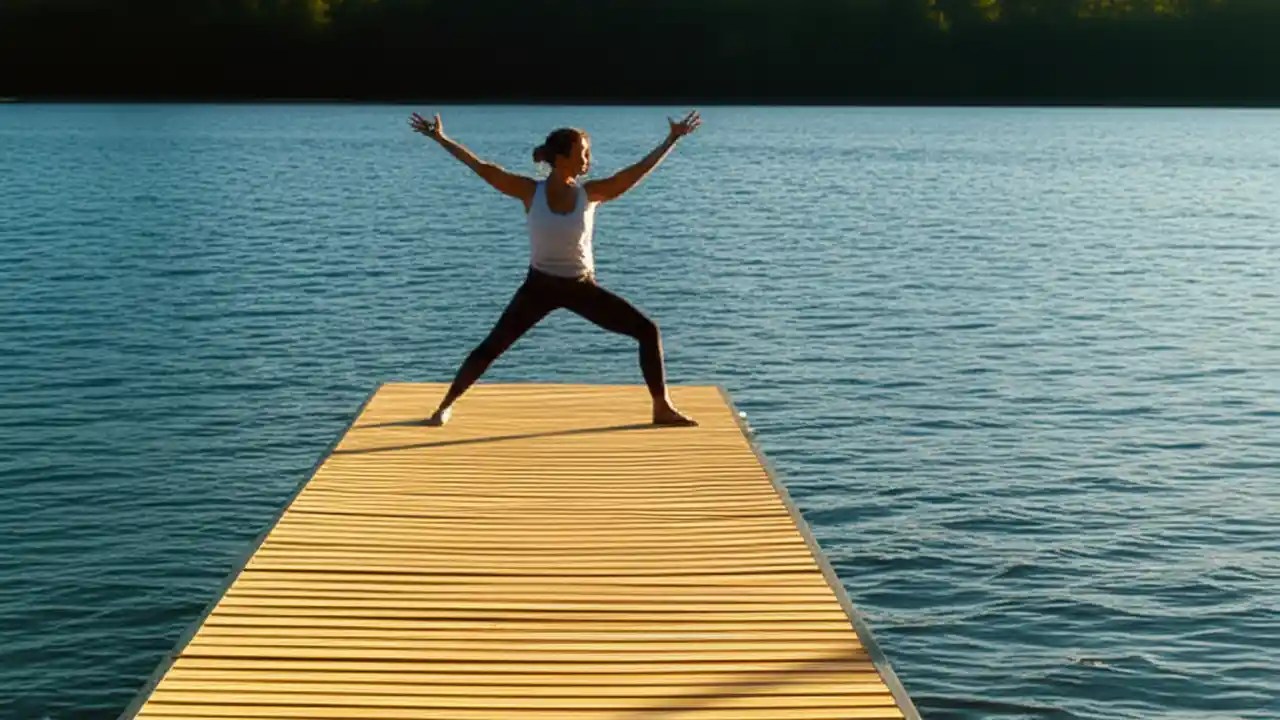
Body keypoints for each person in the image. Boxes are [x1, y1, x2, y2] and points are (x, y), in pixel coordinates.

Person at [408, 109, 703, 427]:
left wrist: (670, 140)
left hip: (581, 287)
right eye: (583, 153)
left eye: (588, 154)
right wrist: (441, 139)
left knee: (647, 331)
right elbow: (480, 167)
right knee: (491, 346)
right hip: (539, 287)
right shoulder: (528, 191)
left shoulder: (589, 194)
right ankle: (444, 406)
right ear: (562, 158)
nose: (588, 160)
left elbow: (633, 175)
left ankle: (661, 407)